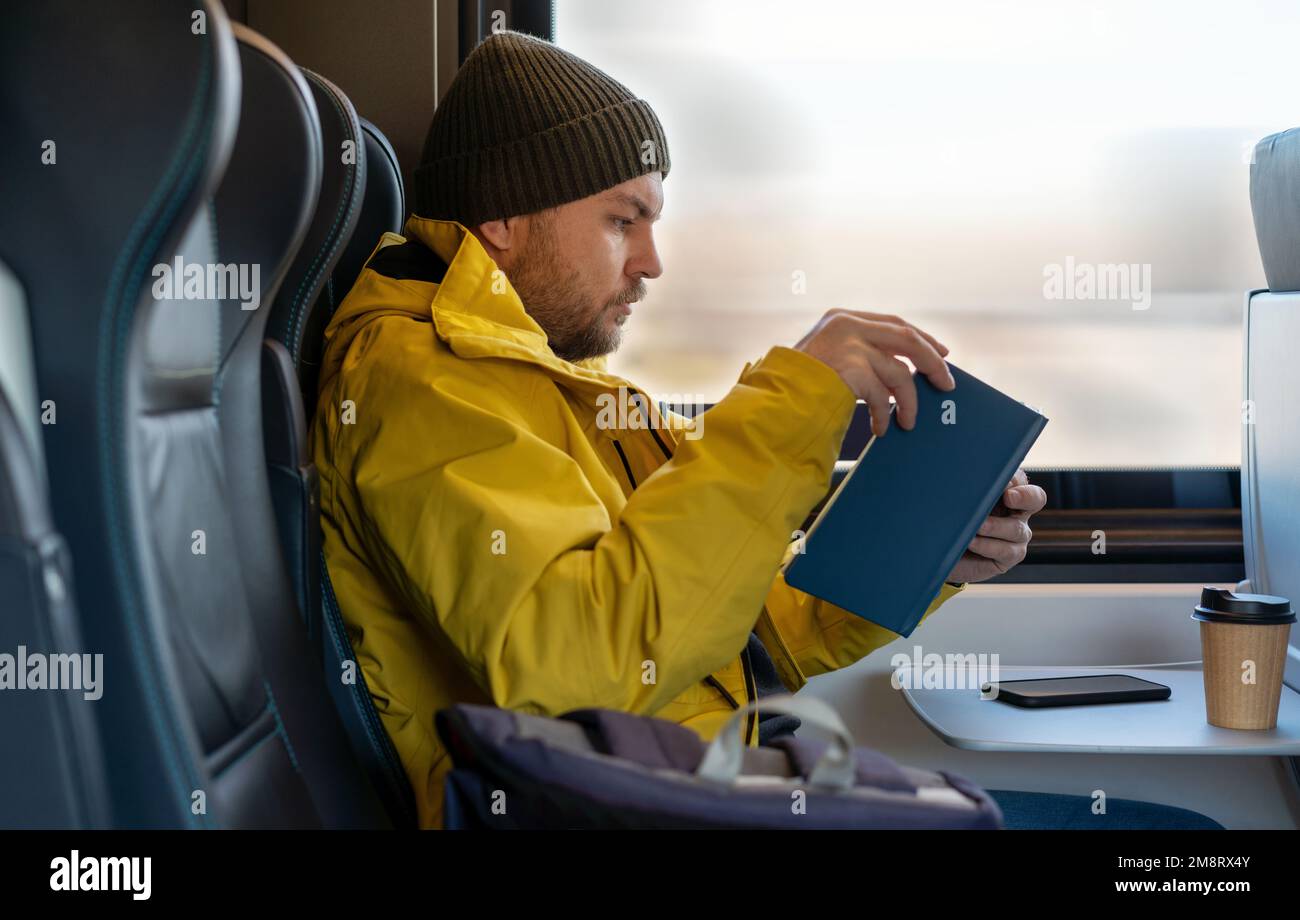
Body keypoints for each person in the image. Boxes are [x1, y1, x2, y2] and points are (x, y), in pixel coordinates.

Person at [311, 30, 1218, 830]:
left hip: (696, 780)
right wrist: (795, 397)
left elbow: (729, 630)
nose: (652, 262)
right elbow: (579, 666)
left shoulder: (557, 384)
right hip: (620, 805)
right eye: (622, 220)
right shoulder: (420, 378)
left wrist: (918, 558)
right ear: (505, 219)